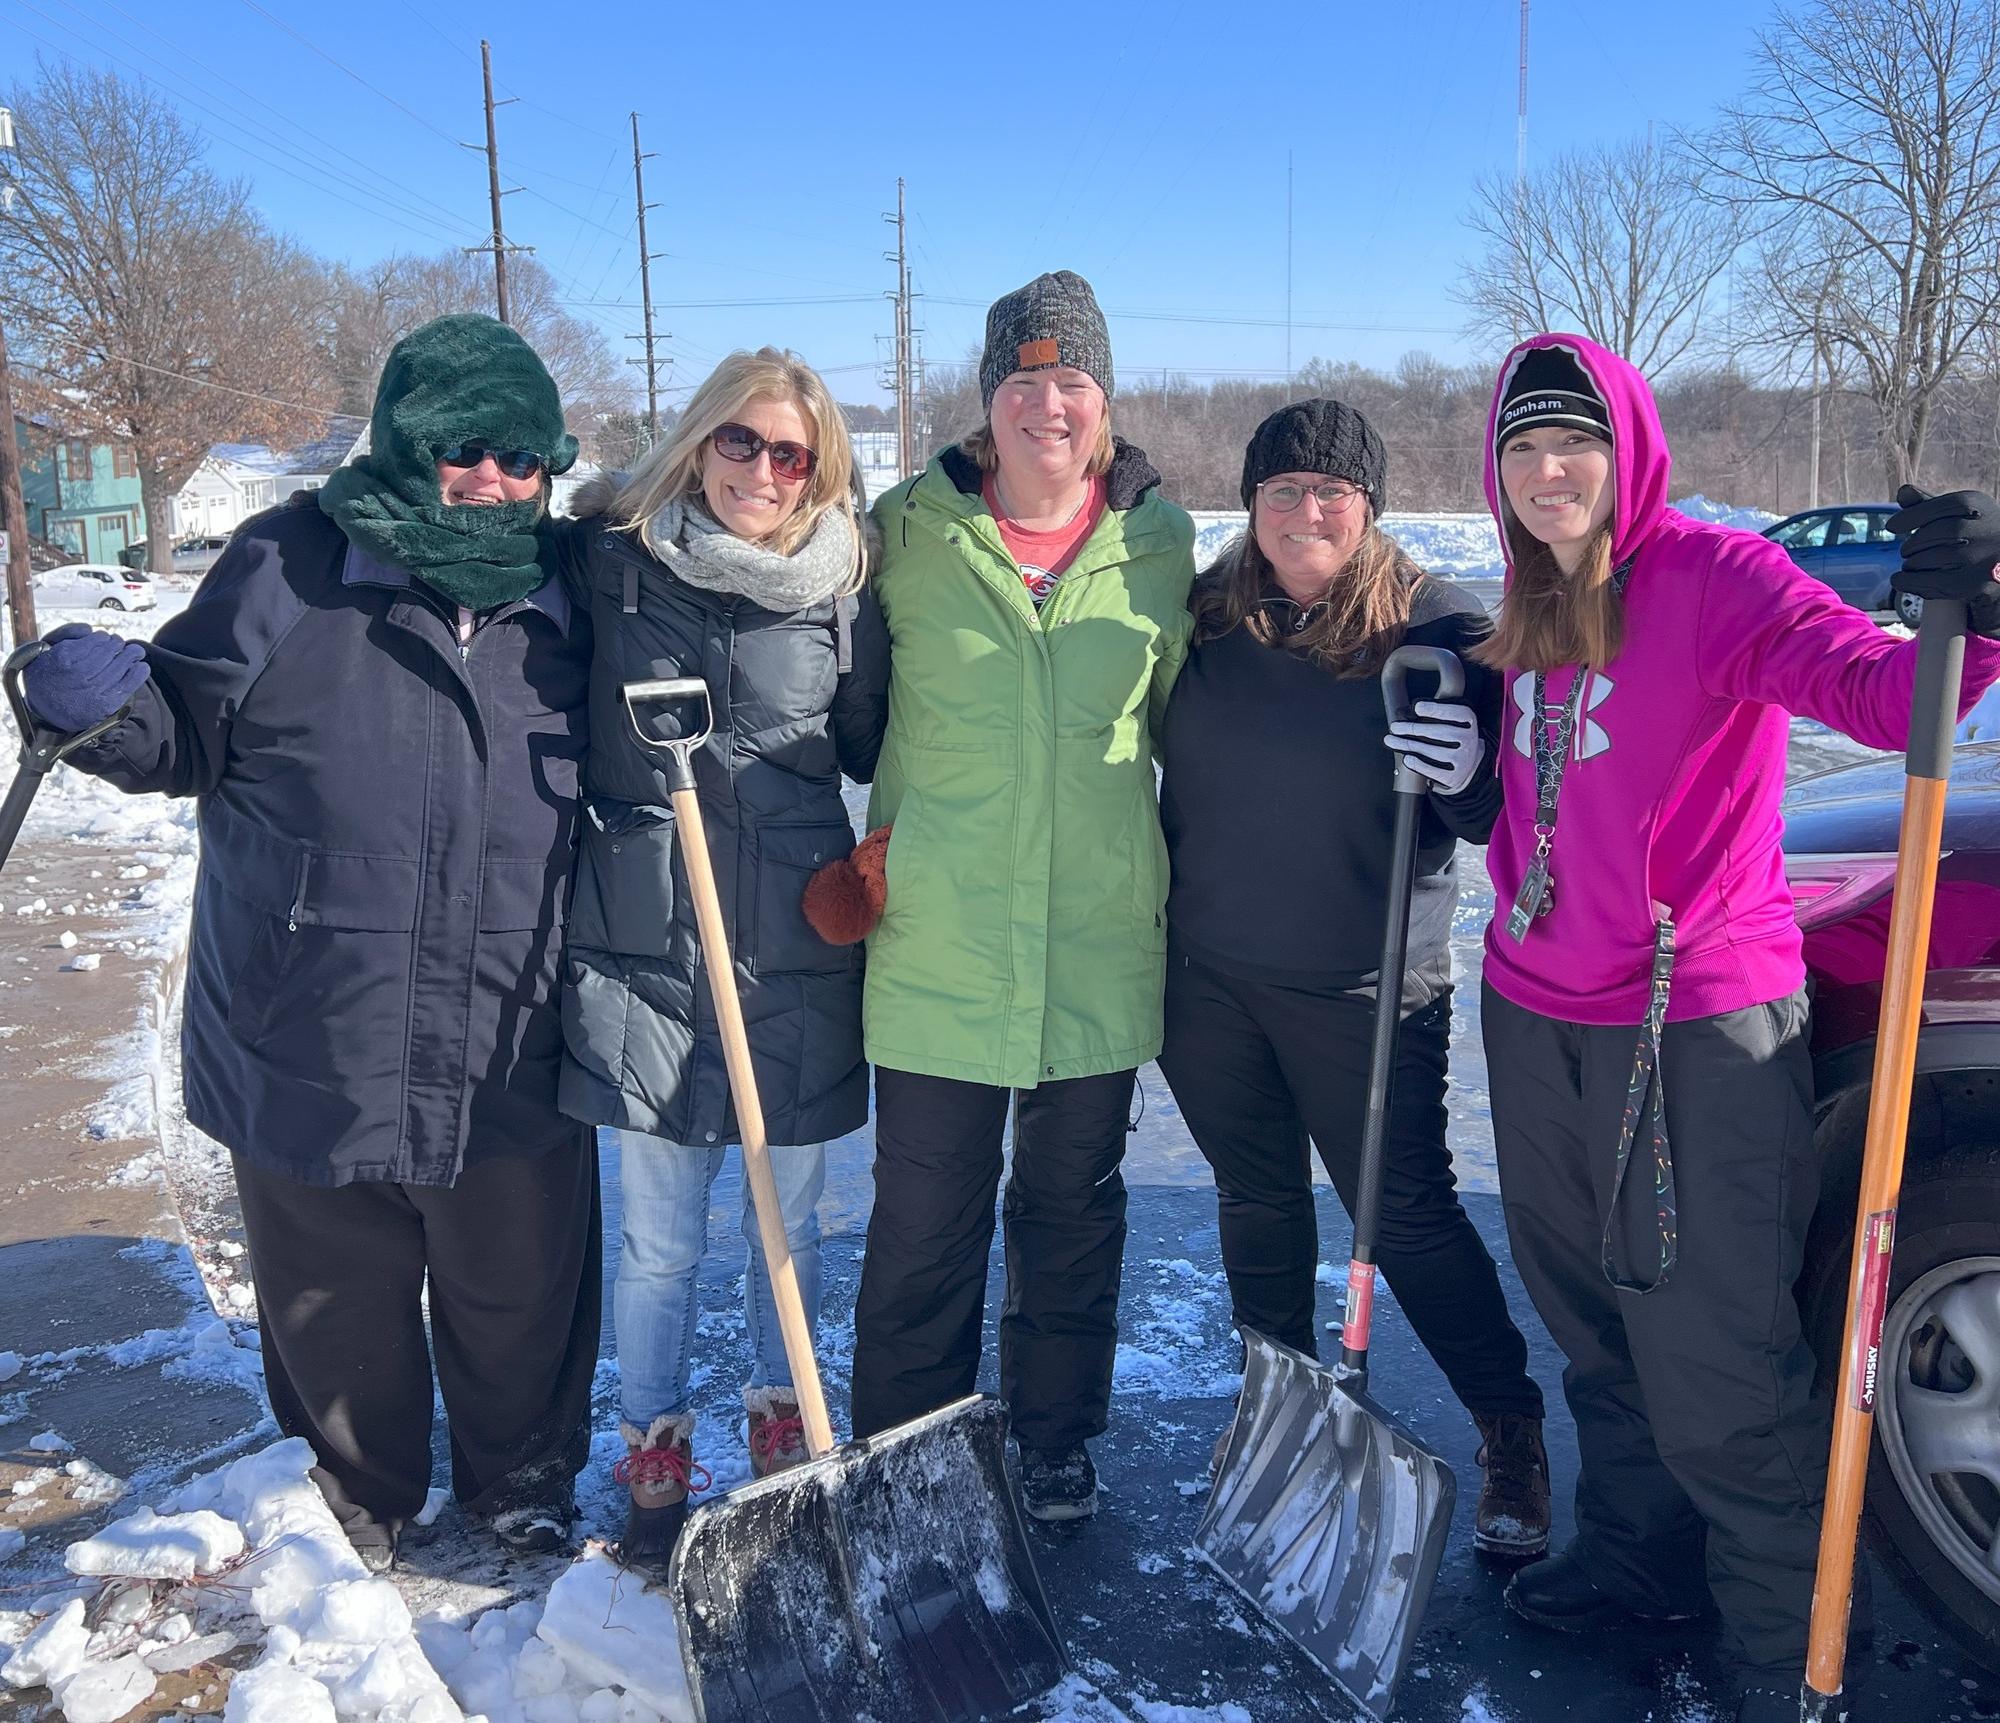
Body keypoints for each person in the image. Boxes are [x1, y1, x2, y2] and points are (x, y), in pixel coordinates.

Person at [1473, 334, 2000, 1722]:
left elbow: (1886, 695)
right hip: (1532, 1012)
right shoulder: (1533, 593)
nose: (1547, 472)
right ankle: (1638, 1563)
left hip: (1690, 1025)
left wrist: (1981, 601)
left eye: (1573, 443)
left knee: (1715, 1356)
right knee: (1594, 1328)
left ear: (1630, 449)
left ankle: (1785, 1649)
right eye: (1522, 448)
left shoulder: (1717, 575)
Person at [29, 315, 600, 1569]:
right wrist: (104, 709)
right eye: (463, 447)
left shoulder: (572, 589)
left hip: (513, 1020)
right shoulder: (293, 562)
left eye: (520, 455)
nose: (492, 478)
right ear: (403, 441)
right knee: (336, 1305)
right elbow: (184, 728)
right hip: (308, 1019)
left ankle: (522, 1481)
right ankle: (355, 1495)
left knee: (518, 1289)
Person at [1156, 397, 1551, 1558]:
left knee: (1407, 1215)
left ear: (1367, 504)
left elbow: (1491, 817)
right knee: (1256, 1200)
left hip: (1362, 986)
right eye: (1280, 489)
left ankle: (1509, 1426)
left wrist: (1471, 772)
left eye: (1331, 490)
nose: (1305, 510)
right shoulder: (1205, 617)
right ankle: (1273, 1414)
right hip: (1207, 976)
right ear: (1250, 501)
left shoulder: (1437, 626)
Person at [848, 270, 1194, 1521]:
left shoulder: (1160, 546)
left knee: (1070, 1212)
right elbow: (830, 697)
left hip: (1094, 941)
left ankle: (1051, 1438)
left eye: (1074, 380)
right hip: (938, 940)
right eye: (1024, 382)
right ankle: (907, 1453)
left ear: (1105, 401)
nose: (1049, 405)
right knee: (924, 1220)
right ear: (987, 399)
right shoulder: (901, 534)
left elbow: (1200, 723)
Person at [557, 349, 888, 1573]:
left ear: (820, 469)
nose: (760, 469)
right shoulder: (611, 565)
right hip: (645, 940)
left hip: (791, 947)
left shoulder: (843, 591)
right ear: (699, 441)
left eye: (789, 452)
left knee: (783, 1225)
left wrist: (886, 853)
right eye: (738, 441)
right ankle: (652, 1448)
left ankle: (780, 1421)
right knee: (658, 1237)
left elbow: (877, 745)